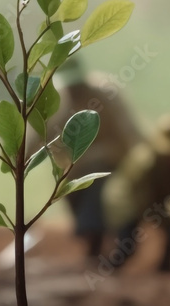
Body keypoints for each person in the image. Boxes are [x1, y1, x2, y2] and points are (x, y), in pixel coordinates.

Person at [43, 58, 143, 257]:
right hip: (77, 167)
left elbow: (128, 131)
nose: (74, 89)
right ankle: (90, 233)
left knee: (99, 186)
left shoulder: (106, 93)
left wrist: (140, 158)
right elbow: (43, 134)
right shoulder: (61, 102)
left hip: (113, 162)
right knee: (71, 188)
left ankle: (97, 232)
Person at [103, 115, 170, 271]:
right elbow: (143, 201)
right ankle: (110, 269)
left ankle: (165, 267)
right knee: (127, 243)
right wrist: (164, 221)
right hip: (125, 200)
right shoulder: (145, 162)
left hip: (157, 201)